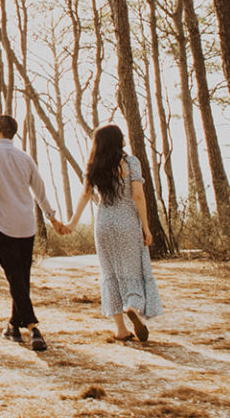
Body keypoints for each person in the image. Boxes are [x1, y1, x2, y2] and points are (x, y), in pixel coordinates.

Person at [60, 123, 162, 342]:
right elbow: (138, 196)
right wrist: (145, 227)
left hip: (104, 222)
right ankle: (133, 305)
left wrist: (72, 223)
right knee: (132, 270)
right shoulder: (131, 162)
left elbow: (85, 196)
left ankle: (120, 329)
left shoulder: (93, 166)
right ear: (117, 140)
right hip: (127, 221)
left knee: (109, 273)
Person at [0, 114, 64, 351]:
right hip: (26, 225)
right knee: (20, 278)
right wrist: (52, 216)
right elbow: (40, 189)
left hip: (2, 225)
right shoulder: (25, 157)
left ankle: (33, 328)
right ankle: (13, 326)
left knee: (15, 278)